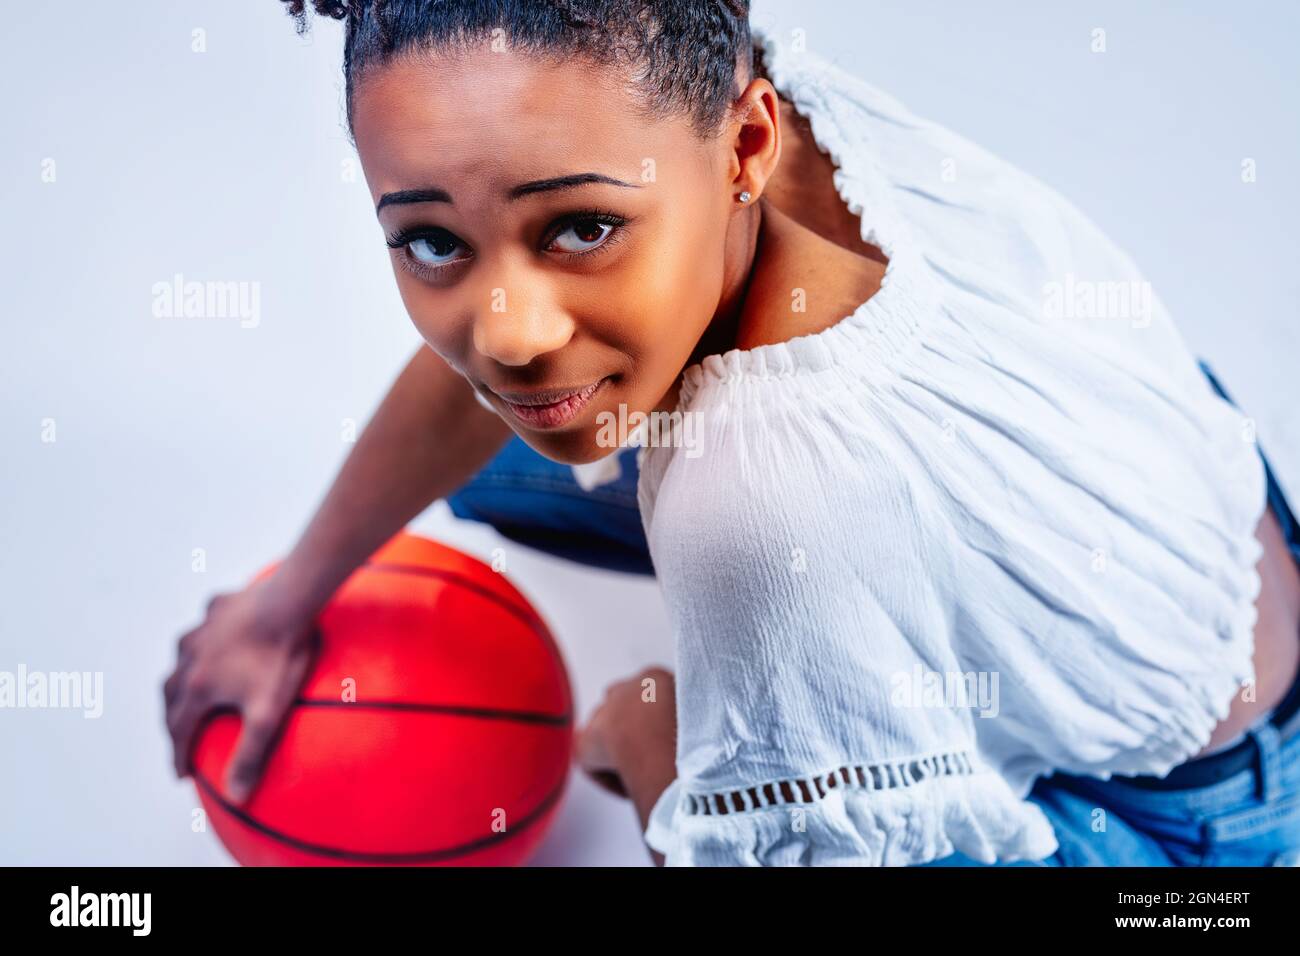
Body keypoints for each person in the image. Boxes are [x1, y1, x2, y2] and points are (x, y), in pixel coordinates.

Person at [163, 0, 1300, 866]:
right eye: (430, 243)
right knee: (521, 439)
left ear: (744, 146)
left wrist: (651, 746)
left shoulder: (751, 508)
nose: (507, 333)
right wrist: (288, 595)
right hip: (1207, 485)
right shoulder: (760, 101)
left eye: (582, 226)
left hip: (1201, 809)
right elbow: (491, 350)